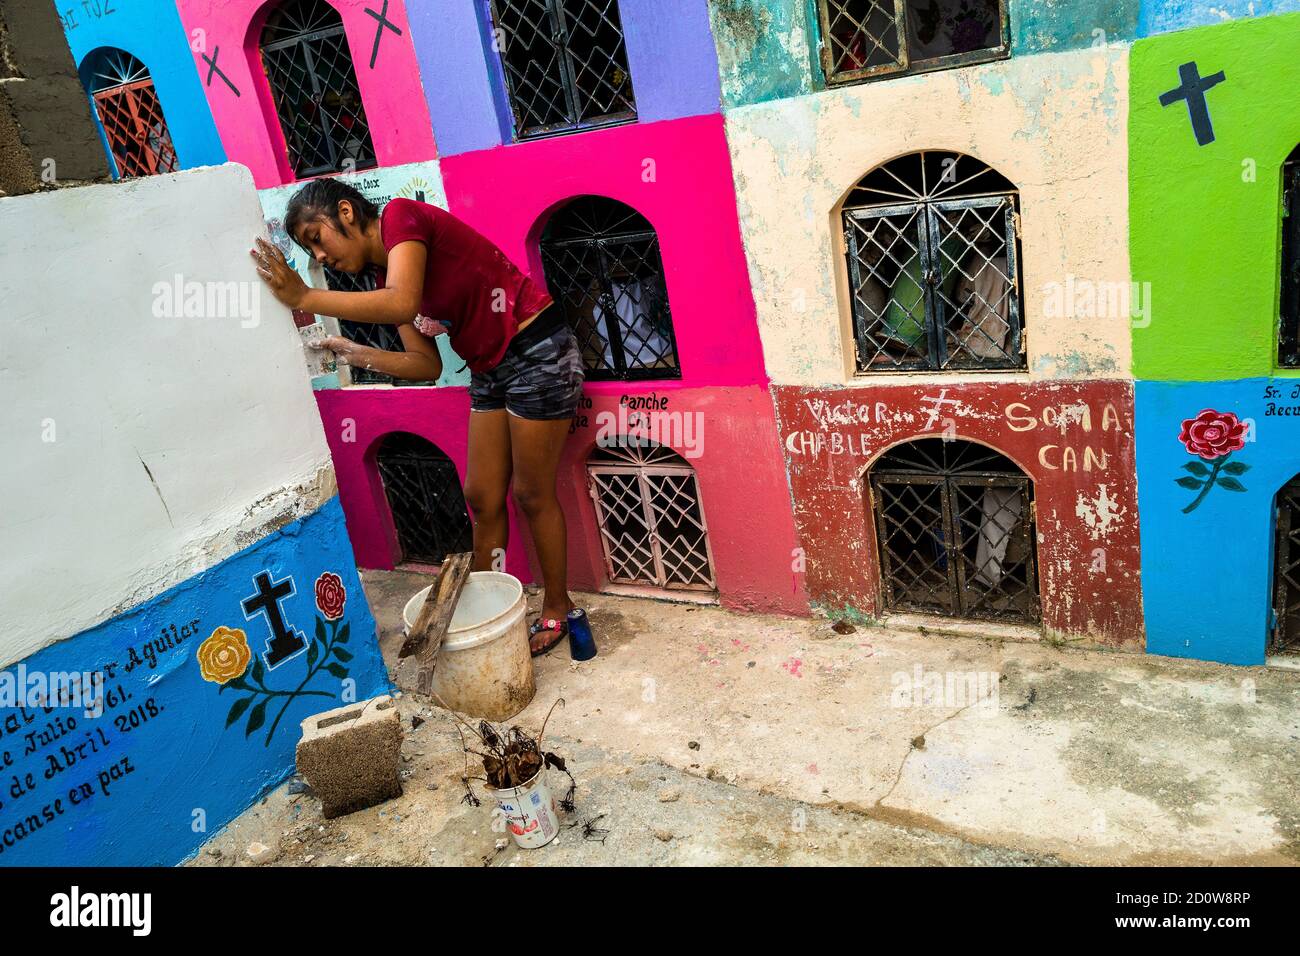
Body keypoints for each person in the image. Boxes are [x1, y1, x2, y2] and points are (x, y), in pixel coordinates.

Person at [250, 179, 584, 655]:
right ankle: (491, 607)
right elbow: (425, 365)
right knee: (482, 495)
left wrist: (305, 297)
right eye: (309, 250)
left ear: (346, 212)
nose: (319, 257)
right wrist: (354, 352)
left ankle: (557, 605)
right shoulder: (393, 277)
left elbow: (401, 303)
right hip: (491, 367)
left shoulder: (402, 216)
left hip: (537, 349)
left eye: (315, 238)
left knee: (531, 493)